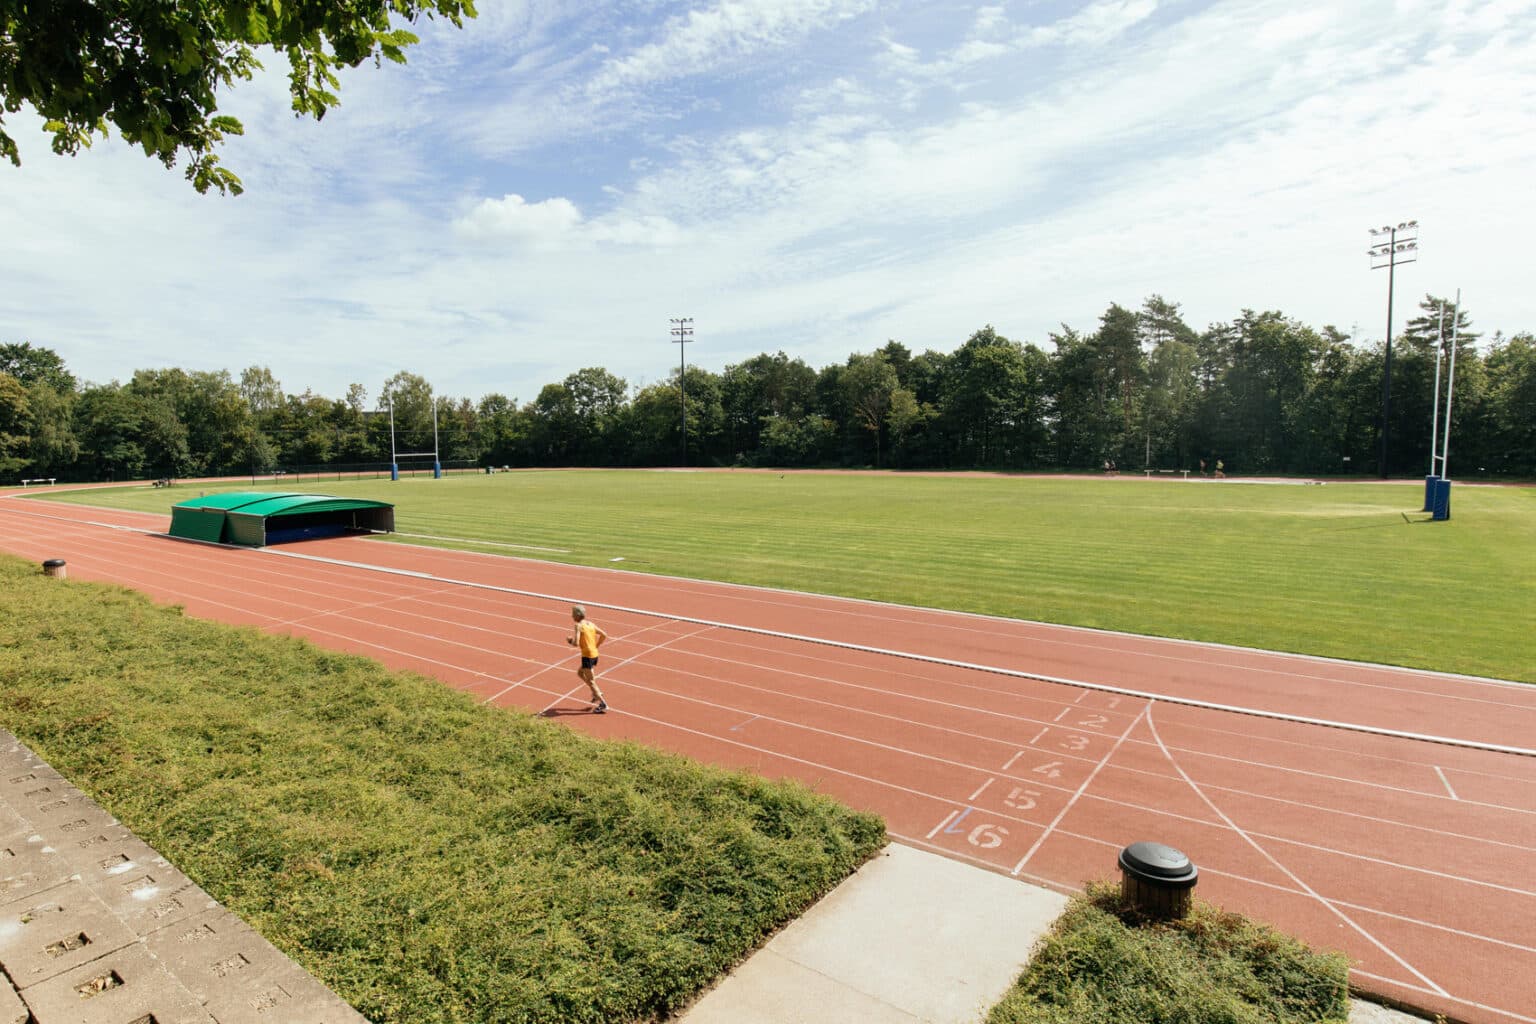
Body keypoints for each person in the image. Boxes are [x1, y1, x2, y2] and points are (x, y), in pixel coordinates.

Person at [567, 605, 609, 713]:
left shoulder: (578, 626)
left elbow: (576, 643)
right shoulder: (590, 624)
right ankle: (596, 693)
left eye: (573, 614)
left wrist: (570, 641)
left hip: (587, 656)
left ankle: (603, 703)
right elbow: (604, 635)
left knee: (591, 681)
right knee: (580, 673)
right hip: (594, 654)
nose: (572, 616)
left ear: (577, 615)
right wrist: (596, 645)